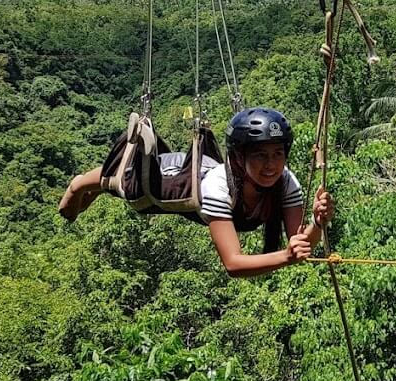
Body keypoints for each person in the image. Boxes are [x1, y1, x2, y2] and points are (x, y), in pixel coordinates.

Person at [58, 107, 332, 277]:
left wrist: (317, 222)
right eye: (260, 155)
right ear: (238, 158)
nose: (271, 165)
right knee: (131, 187)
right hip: (184, 180)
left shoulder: (286, 182)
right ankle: (80, 184)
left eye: (277, 154)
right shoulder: (219, 186)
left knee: (136, 186)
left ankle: (86, 186)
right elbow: (233, 264)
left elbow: (301, 245)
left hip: (205, 171)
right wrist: (286, 256)